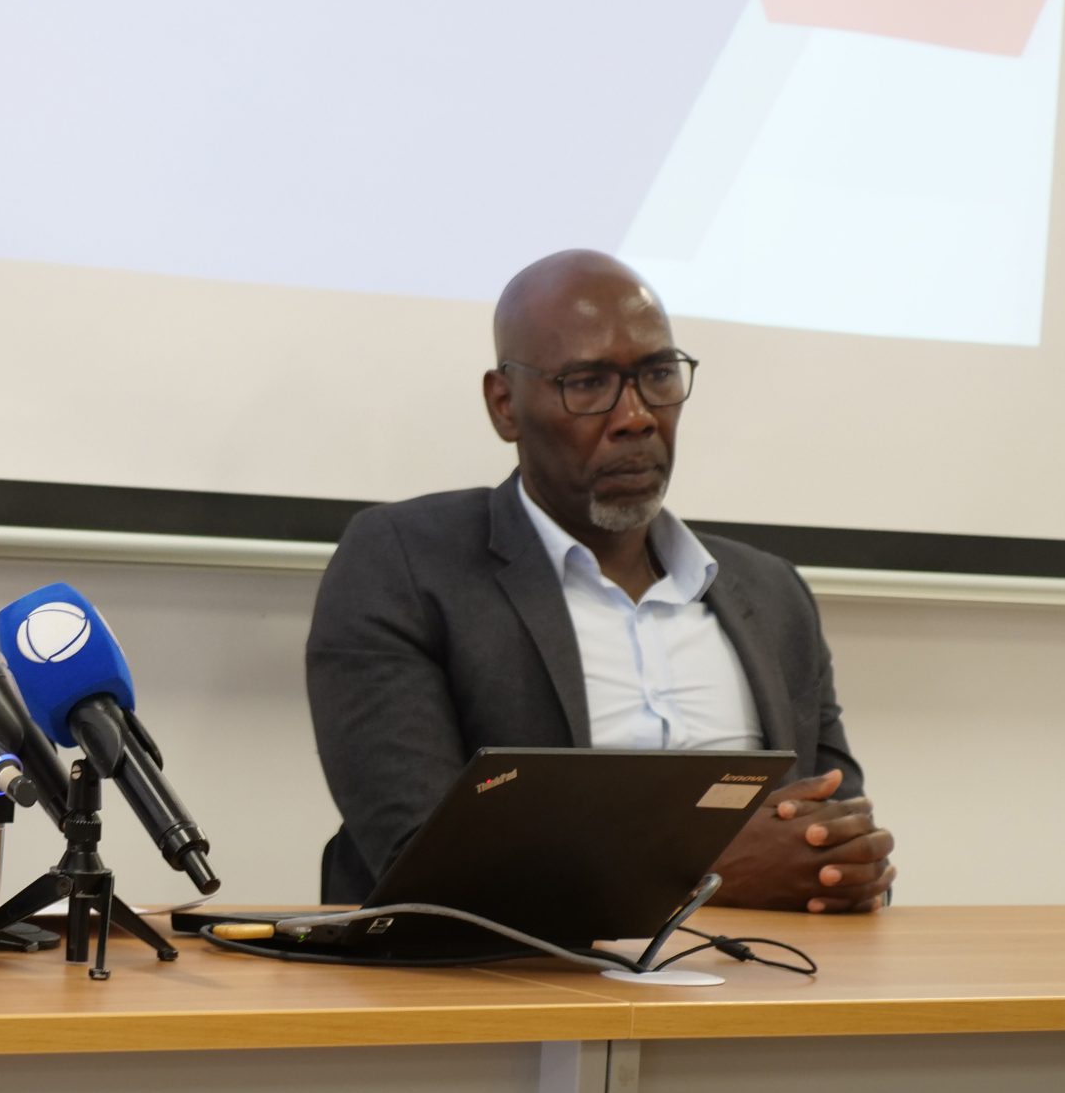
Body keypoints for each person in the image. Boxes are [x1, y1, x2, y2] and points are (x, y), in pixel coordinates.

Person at [305, 250, 893, 912]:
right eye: (588, 384)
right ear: (505, 406)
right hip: (508, 994)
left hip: (758, 988)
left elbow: (834, 833)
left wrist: (844, 861)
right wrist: (707, 875)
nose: (636, 415)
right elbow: (420, 861)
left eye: (658, 374)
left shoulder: (772, 592)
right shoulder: (406, 564)